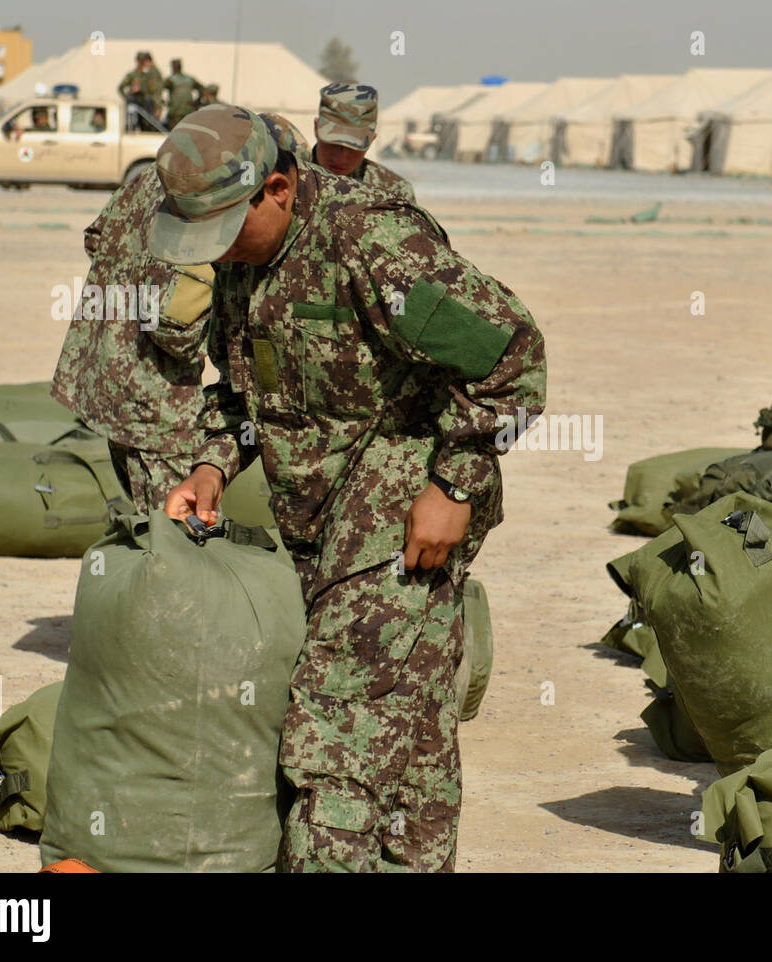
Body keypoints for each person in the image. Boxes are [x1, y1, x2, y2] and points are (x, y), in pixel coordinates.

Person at [151, 104, 547, 872]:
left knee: (330, 735)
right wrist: (209, 467)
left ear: (277, 189)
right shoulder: (243, 265)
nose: (219, 254)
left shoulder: (374, 241)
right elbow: (242, 399)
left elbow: (515, 361)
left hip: (398, 510)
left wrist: (454, 486)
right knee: (413, 728)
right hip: (314, 520)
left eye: (227, 230)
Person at [51, 164, 215, 513]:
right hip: (161, 412)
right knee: (178, 540)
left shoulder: (151, 178)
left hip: (112, 390)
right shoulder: (204, 203)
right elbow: (176, 334)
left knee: (146, 529)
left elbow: (95, 238)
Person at [313, 83, 415, 202]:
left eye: (354, 147)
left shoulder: (394, 191)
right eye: (333, 145)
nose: (340, 158)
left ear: (372, 139)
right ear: (316, 128)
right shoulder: (291, 176)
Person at [118, 51, 164, 131]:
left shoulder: (149, 74)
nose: (142, 64)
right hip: (135, 106)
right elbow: (121, 88)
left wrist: (158, 108)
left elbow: (156, 92)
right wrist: (128, 96)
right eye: (141, 61)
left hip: (147, 107)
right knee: (132, 126)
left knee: (148, 127)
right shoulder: (132, 74)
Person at [163, 59, 205, 129]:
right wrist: (197, 102)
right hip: (188, 110)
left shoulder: (170, 80)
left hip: (175, 112)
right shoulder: (190, 79)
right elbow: (203, 90)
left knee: (175, 132)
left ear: (173, 68)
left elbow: (158, 88)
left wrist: (162, 102)